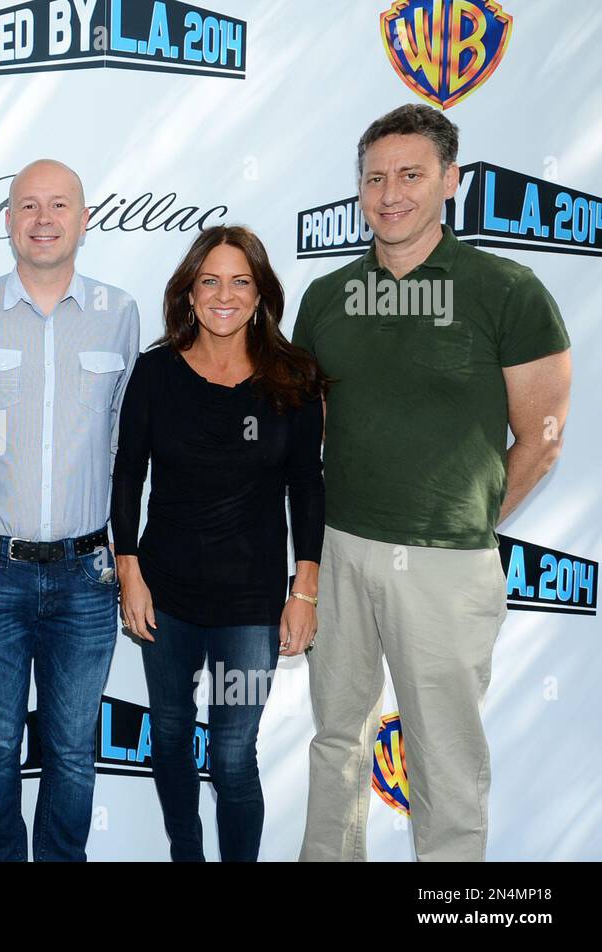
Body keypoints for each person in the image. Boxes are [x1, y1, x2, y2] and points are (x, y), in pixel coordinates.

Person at [293, 104, 571, 862]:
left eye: (411, 174)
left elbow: (542, 438)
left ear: (450, 180)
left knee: (445, 762)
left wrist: (465, 519)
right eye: (375, 177)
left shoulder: (507, 290)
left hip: (449, 565)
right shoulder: (325, 298)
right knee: (335, 744)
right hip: (340, 552)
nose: (391, 193)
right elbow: (304, 434)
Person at [0, 159, 140, 861]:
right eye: (28, 206)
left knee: (73, 751)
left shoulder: (120, 314)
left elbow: (127, 445)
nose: (43, 219)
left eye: (59, 206)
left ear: (85, 219)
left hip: (88, 576)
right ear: (8, 220)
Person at [113, 225, 326, 861]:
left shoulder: (292, 380)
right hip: (167, 595)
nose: (224, 294)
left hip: (250, 603)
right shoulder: (155, 373)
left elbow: (307, 486)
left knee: (233, 757)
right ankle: (186, 854)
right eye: (209, 280)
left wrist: (304, 589)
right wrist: (129, 570)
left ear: (260, 294)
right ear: (189, 292)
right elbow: (128, 473)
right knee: (173, 740)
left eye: (240, 281)